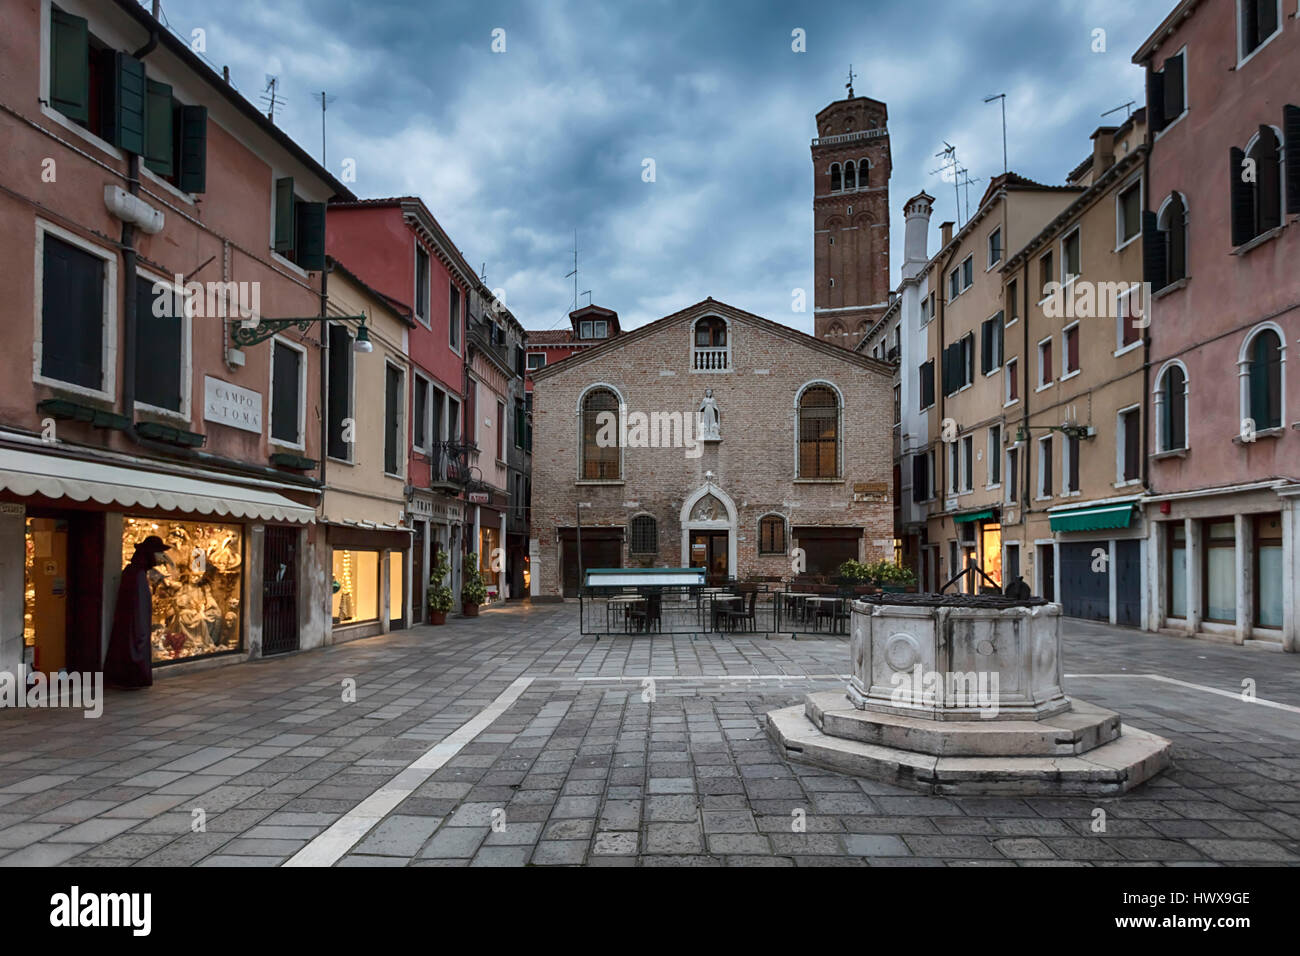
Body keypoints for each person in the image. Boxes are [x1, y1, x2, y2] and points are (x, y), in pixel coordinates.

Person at [104, 535, 167, 689]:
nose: (161, 557)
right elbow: (136, 606)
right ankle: (130, 676)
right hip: (134, 627)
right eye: (158, 553)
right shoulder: (136, 574)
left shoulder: (136, 572)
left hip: (134, 625)